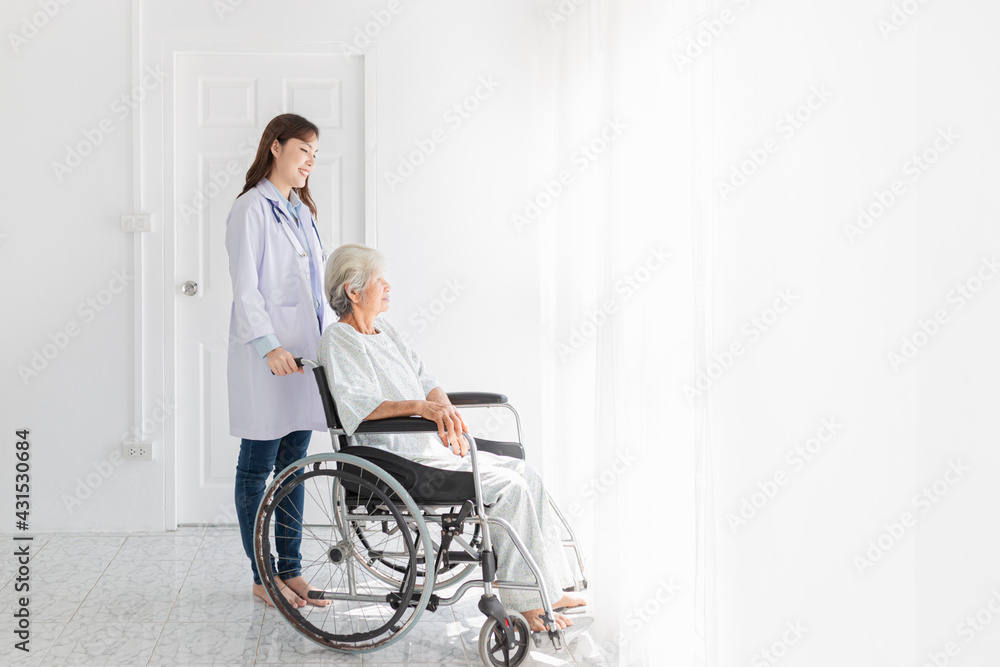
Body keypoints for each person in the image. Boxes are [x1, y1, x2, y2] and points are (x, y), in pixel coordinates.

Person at [315, 244, 586, 632]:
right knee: (508, 489)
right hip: (396, 458)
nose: (388, 285)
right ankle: (526, 603)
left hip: (428, 446)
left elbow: (426, 380)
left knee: (524, 473)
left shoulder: (384, 329)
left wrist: (446, 412)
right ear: (354, 292)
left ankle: (547, 588)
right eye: (379, 281)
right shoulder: (340, 341)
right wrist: (425, 411)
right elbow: (358, 406)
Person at [224, 113, 333, 609]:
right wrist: (269, 345)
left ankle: (290, 571)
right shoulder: (251, 209)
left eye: (315, 153)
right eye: (303, 149)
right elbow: (246, 289)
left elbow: (313, 293)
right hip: (269, 359)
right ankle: (261, 574)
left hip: (304, 359)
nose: (310, 160)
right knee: (257, 469)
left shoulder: (302, 211)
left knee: (295, 468)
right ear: (275, 146)